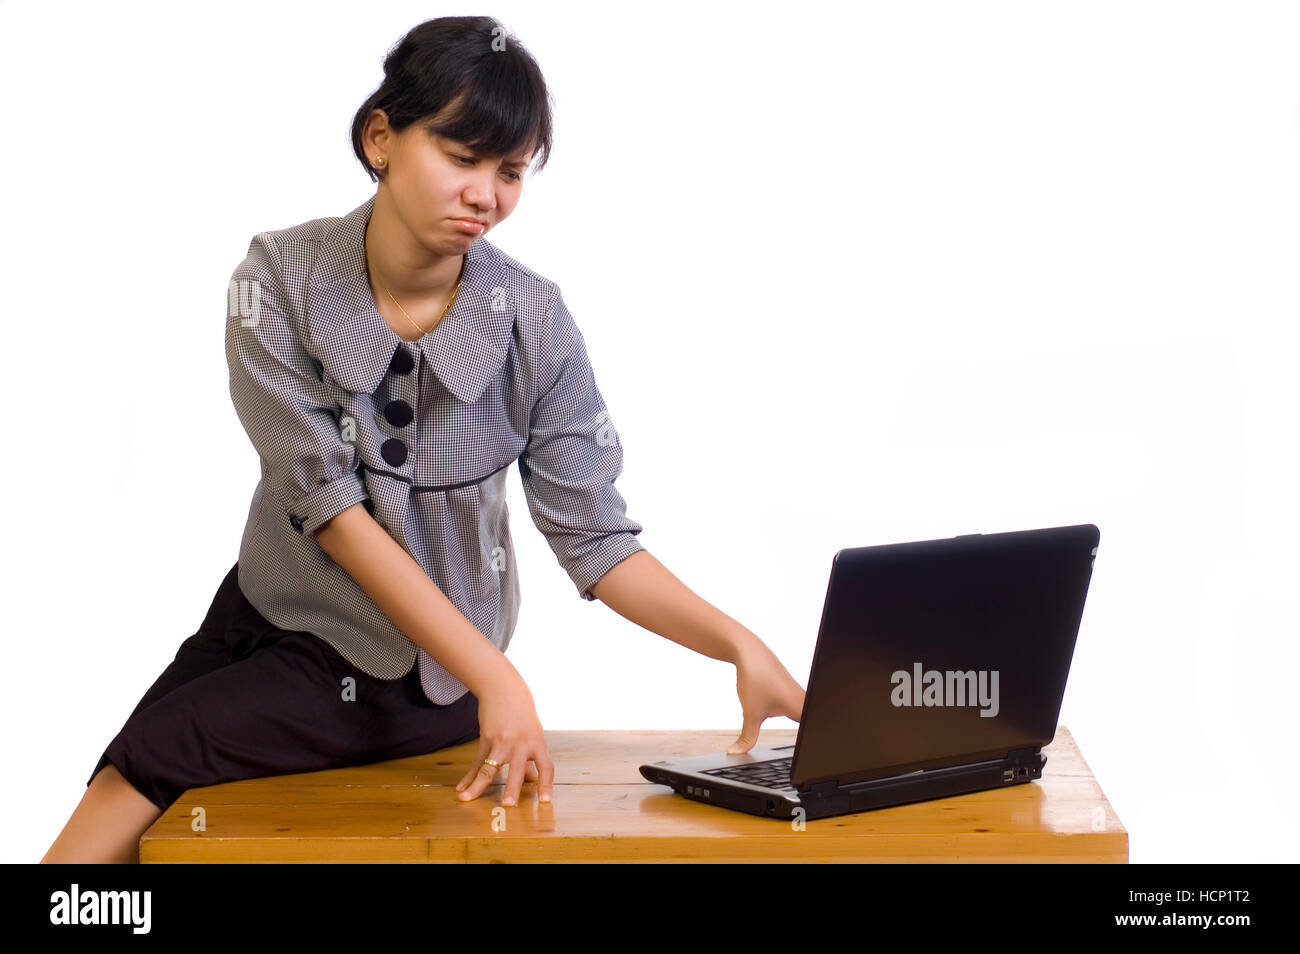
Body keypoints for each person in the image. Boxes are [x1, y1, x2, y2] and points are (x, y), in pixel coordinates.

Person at [41, 15, 805, 865]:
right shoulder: (276, 283)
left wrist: (739, 645)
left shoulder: (534, 319)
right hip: (263, 613)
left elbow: (594, 536)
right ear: (382, 138)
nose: (487, 193)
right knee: (129, 784)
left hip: (412, 670)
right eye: (462, 156)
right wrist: (502, 678)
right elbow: (333, 511)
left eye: (511, 170)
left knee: (145, 769)